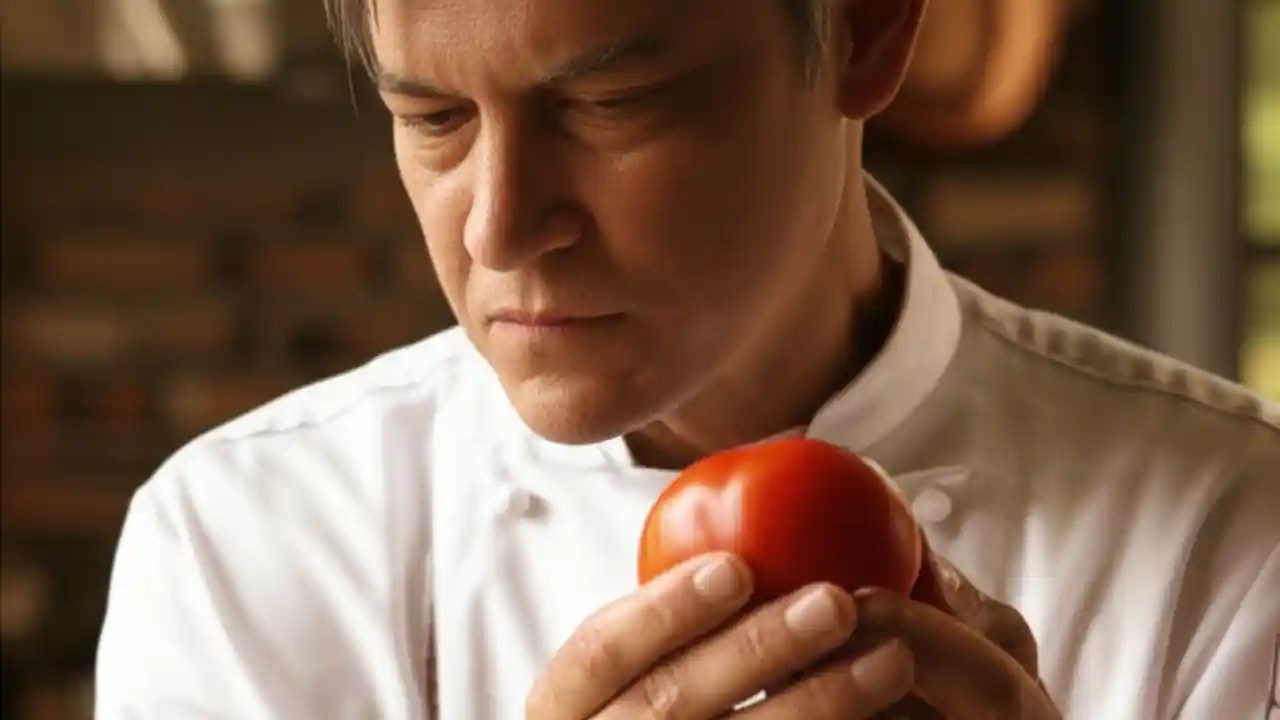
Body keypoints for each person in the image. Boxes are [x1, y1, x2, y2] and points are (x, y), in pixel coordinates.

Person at [95, 0, 1279, 717]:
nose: (498, 229)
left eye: (609, 102)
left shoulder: (1233, 535)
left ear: (866, 30)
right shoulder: (242, 544)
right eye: (432, 119)